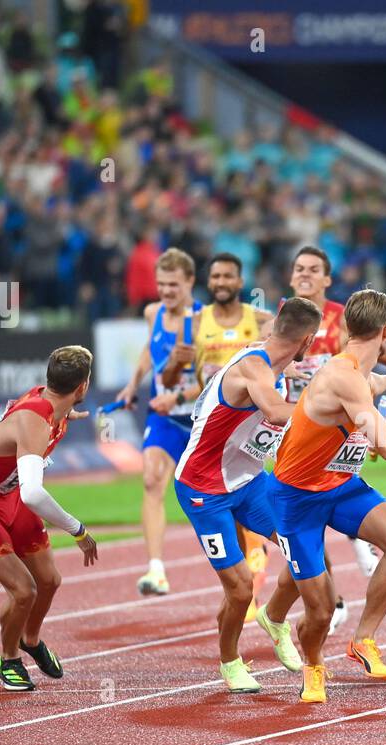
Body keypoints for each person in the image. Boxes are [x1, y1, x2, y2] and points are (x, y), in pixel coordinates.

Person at [268, 289, 386, 704]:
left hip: (338, 484)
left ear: (344, 328)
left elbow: (368, 382)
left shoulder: (357, 372)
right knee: (319, 610)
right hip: (296, 498)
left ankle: (363, 638)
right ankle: (313, 664)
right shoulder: (343, 378)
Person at [171, 298, 321, 692]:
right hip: (204, 488)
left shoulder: (281, 372)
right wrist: (335, 408)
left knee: (305, 549)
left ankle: (274, 616)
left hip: (251, 482)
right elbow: (274, 411)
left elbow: (274, 431)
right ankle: (230, 661)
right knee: (239, 588)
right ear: (307, 340)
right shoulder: (254, 368)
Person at [0, 346, 99, 692]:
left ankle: (30, 639)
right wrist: (78, 530)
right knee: (23, 591)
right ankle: (9, 658)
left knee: (49, 581)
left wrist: (64, 416)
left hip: (8, 496)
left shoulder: (51, 404)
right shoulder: (35, 419)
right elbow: (33, 493)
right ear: (83, 388)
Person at [162, 250, 268, 621]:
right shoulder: (193, 322)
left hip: (251, 428)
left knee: (257, 498)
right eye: (216, 277)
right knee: (226, 508)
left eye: (228, 277)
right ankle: (246, 586)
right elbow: (171, 381)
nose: (221, 283)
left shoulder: (260, 321)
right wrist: (176, 362)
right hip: (212, 428)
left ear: (240, 282)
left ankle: (261, 560)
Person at [286, 245, 386, 609]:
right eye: (299, 268)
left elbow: (376, 359)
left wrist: (377, 418)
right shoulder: (281, 320)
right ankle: (333, 599)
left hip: (339, 420)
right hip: (292, 418)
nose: (305, 275)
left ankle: (358, 544)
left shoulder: (342, 318)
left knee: (331, 484)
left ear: (327, 279)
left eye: (313, 269)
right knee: (303, 507)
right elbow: (260, 364)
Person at [115, 248, 201, 597]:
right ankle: (156, 570)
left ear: (190, 282)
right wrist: (133, 383)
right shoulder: (153, 312)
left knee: (218, 495)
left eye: (173, 285)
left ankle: (249, 565)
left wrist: (180, 396)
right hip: (163, 416)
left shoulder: (203, 320)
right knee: (151, 479)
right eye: (161, 283)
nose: (166, 291)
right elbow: (150, 351)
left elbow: (213, 375)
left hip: (199, 417)